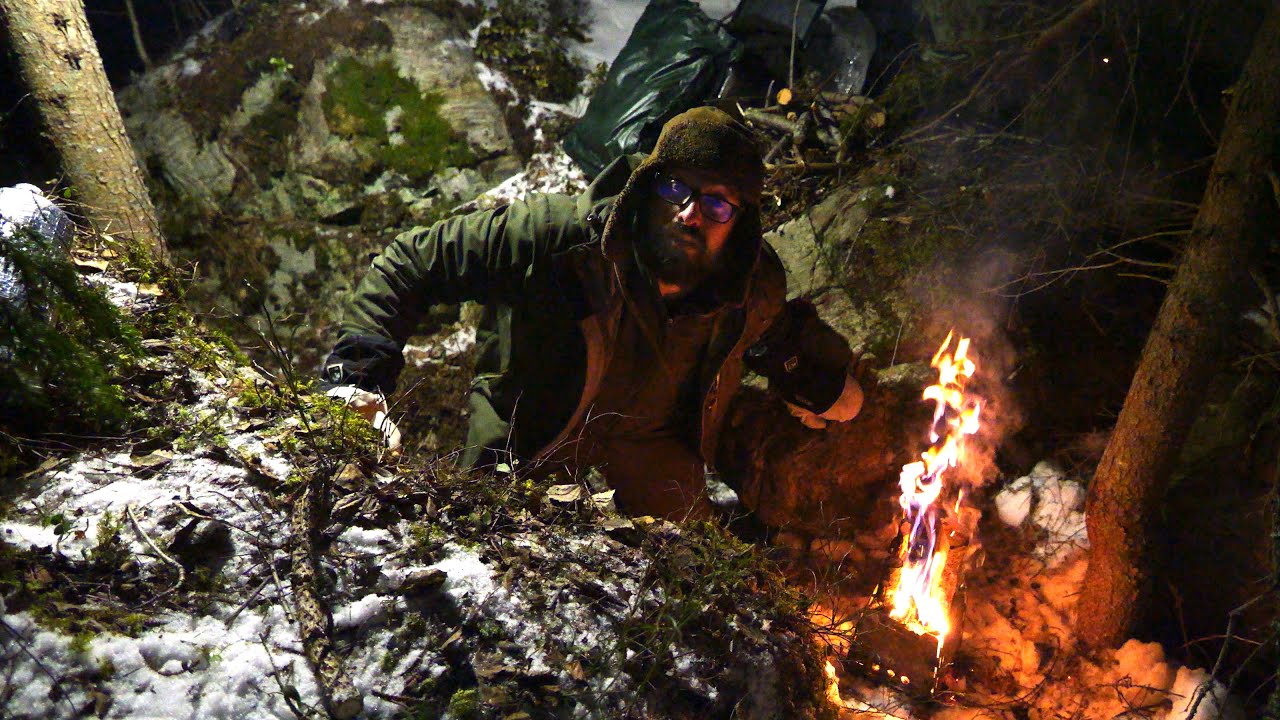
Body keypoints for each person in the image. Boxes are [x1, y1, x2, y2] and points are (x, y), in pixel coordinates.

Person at [320, 107, 863, 521]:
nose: (690, 213)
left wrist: (817, 371)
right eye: (677, 186)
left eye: (718, 203)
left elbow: (773, 329)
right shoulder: (558, 241)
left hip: (653, 460)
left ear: (738, 223)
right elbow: (411, 261)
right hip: (528, 454)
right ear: (648, 184)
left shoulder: (749, 283)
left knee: (695, 611)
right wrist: (358, 377)